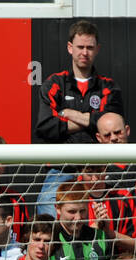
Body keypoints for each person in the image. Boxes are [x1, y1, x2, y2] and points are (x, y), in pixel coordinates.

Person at [35, 20, 125, 215]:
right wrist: (92, 121)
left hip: (99, 174)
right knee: (48, 220)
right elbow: (45, 127)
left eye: (90, 47)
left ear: (97, 49)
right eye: (80, 47)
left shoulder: (108, 87)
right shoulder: (54, 84)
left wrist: (71, 114)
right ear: (70, 47)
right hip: (62, 170)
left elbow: (111, 127)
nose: (85, 52)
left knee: (108, 222)